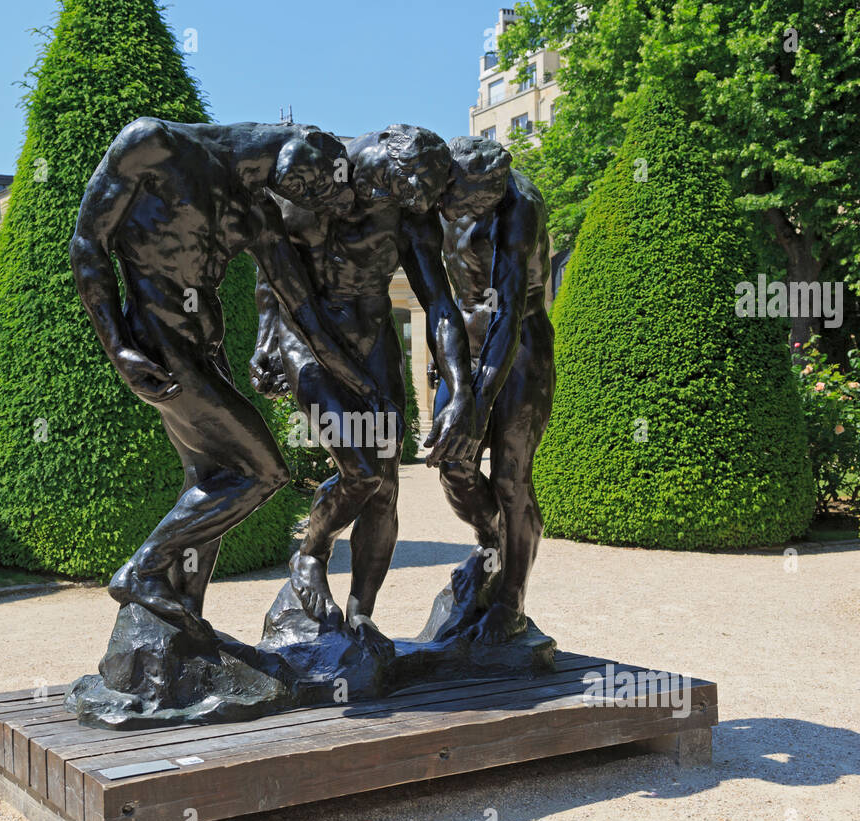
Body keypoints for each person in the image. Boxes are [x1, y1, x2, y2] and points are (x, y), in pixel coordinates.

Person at [70, 119, 376, 648]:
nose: (312, 193)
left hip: (205, 351)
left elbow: (300, 306)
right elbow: (86, 243)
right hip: (159, 344)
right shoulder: (154, 144)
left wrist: (363, 386)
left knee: (207, 483)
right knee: (260, 471)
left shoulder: (254, 211)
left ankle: (185, 616)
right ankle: (143, 570)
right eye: (318, 178)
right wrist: (118, 347)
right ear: (300, 133)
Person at [251, 124, 483, 632]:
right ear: (376, 157)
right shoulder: (310, 186)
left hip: (373, 342)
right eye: (383, 190)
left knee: (385, 488)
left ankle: (361, 617)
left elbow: (439, 304)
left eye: (396, 200)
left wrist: (461, 389)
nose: (382, 203)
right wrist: (266, 336)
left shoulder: (405, 203)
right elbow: (270, 262)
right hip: (307, 337)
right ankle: (310, 553)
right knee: (361, 469)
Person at [430, 135, 555, 644]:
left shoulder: (519, 203)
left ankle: (511, 599)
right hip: (464, 338)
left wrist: (476, 403)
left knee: (510, 479)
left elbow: (505, 309)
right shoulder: (440, 191)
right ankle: (493, 546)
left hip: (520, 341)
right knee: (451, 462)